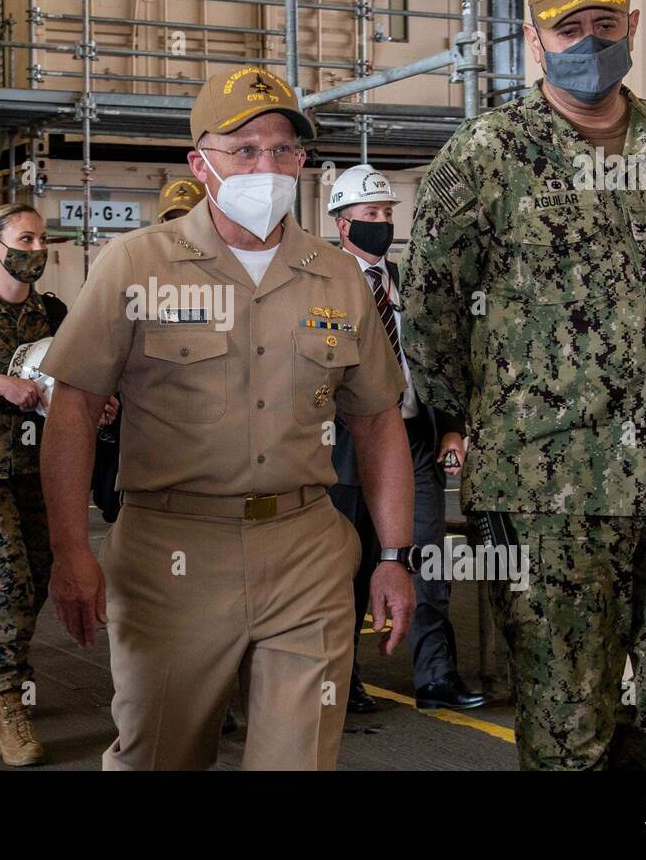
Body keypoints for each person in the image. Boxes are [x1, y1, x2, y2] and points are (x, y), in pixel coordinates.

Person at [400, 0, 646, 770]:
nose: (588, 40)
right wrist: (484, 421)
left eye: (603, 19)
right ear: (534, 40)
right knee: (568, 723)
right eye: (566, 25)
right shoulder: (484, 159)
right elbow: (431, 318)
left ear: (631, 20)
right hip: (551, 493)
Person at [39, 65, 417, 771]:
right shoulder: (135, 265)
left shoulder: (336, 276)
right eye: (244, 149)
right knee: (160, 757)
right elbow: (75, 410)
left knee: (298, 760)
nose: (266, 166)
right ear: (200, 162)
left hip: (307, 548)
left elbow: (376, 421)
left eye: (283, 150)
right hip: (169, 552)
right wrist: (71, 552)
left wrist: (392, 556)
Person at [0, 202, 117, 766]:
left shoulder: (57, 314)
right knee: (6, 580)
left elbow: (78, 386)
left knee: (38, 579)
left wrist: (100, 404)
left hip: (42, 470)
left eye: (42, 240)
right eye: (24, 239)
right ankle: (11, 705)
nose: (36, 251)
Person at [325, 166, 487, 714]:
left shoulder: (410, 283)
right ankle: (341, 682)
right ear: (342, 225)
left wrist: (451, 428)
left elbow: (442, 358)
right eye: (371, 215)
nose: (383, 223)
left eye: (388, 214)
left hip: (412, 437)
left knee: (427, 561)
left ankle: (436, 678)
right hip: (344, 444)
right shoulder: (321, 283)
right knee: (346, 563)